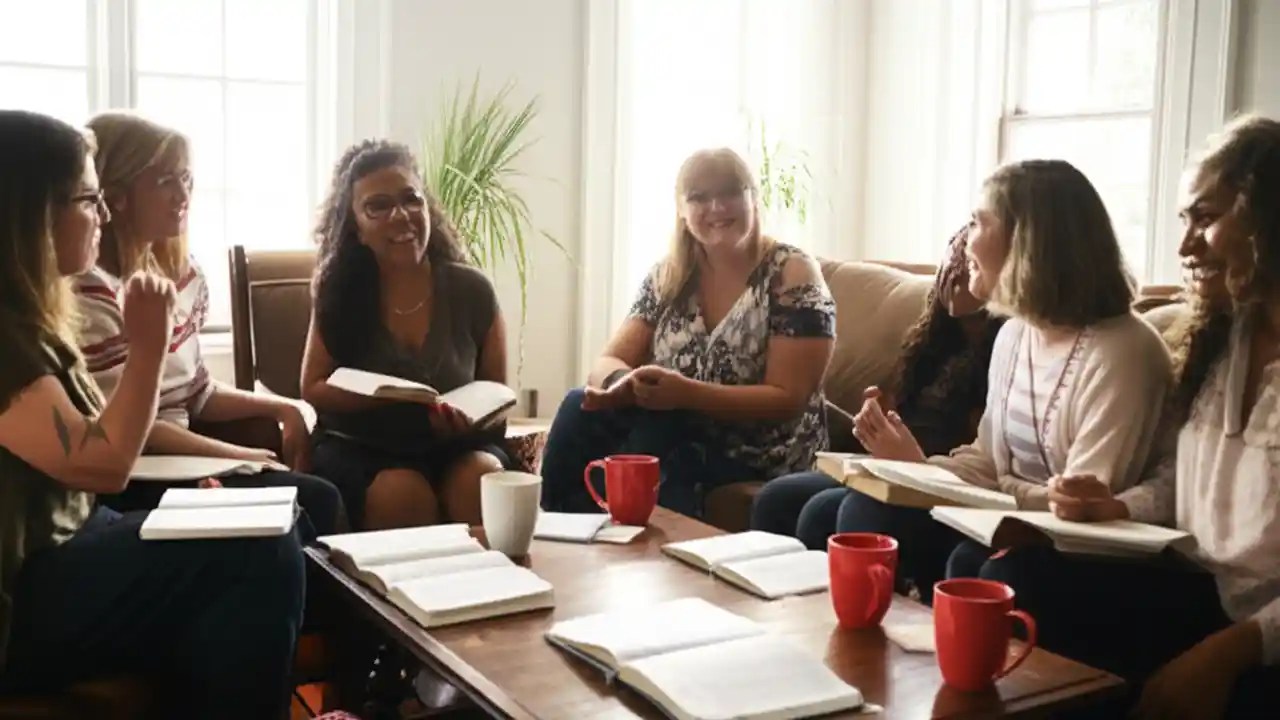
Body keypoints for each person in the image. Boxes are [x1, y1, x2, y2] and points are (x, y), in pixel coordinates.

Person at [951, 116, 1280, 719]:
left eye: (1205, 220)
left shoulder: (1126, 349)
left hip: (1259, 627)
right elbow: (1181, 482)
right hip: (1193, 585)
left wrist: (1228, 652)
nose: (1184, 247)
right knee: (1010, 576)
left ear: (1268, 219)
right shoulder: (1220, 341)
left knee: (1024, 582)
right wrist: (1118, 507)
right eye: (1184, 222)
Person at [0, 109, 304, 719]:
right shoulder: (6, 340)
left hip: (75, 538)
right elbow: (104, 463)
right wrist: (147, 346)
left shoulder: (31, 319)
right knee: (259, 555)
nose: (105, 214)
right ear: (35, 213)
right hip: (25, 595)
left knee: (266, 519)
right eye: (89, 199)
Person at [845, 159, 1173, 602]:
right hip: (1000, 516)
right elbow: (987, 461)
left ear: (1027, 241)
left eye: (977, 222)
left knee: (934, 548)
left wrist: (992, 487)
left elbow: (1082, 504)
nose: (964, 242)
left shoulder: (1124, 350)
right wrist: (913, 468)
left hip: (1075, 547)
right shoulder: (1016, 333)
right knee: (836, 505)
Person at [72, 111, 346, 537]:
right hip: (135, 471)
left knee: (317, 496)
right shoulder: (91, 295)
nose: (183, 194)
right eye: (165, 181)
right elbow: (136, 429)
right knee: (314, 501)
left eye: (186, 178)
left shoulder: (182, 275)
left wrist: (284, 407)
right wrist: (239, 456)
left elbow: (196, 392)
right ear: (117, 196)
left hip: (185, 456)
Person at [539, 148, 837, 517]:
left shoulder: (792, 274)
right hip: (675, 423)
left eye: (730, 192)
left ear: (753, 198)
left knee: (657, 437)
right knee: (576, 405)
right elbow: (606, 362)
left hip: (759, 451)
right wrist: (624, 382)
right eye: (699, 197)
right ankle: (558, 532)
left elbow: (788, 399)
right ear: (681, 209)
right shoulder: (669, 275)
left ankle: (629, 539)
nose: (716, 207)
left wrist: (686, 395)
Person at [750, 226, 1004, 599]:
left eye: (965, 263)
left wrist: (914, 460)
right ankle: (775, 615)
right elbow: (905, 421)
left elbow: (980, 455)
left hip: (939, 478)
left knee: (824, 510)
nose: (952, 272)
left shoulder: (1003, 346)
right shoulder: (933, 338)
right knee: (777, 497)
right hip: (893, 467)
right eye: (948, 258)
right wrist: (880, 420)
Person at [302, 139, 513, 530]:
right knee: (403, 494)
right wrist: (379, 400)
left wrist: (471, 419)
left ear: (427, 208)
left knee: (481, 479)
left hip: (456, 446)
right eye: (378, 206)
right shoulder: (338, 292)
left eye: (411, 199)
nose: (400, 215)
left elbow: (498, 394)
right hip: (364, 447)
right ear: (356, 228)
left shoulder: (473, 290)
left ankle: (489, 589)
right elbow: (312, 385)